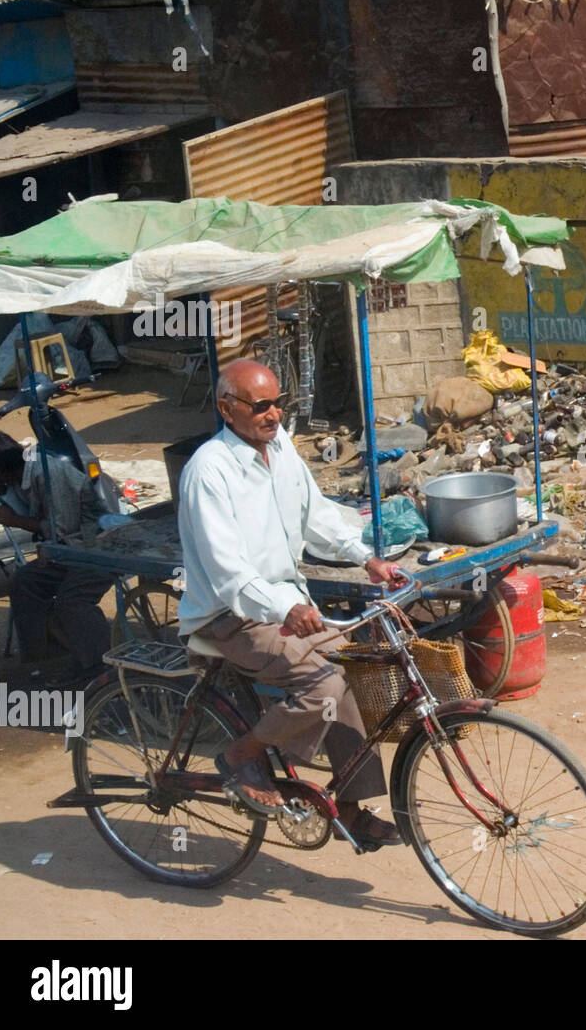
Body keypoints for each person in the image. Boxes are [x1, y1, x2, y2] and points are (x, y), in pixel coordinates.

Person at [177, 359, 407, 848]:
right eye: (261, 406)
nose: (275, 414)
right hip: (230, 613)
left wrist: (366, 559)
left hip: (285, 600)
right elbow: (229, 574)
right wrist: (284, 609)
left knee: (353, 669)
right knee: (322, 687)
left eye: (280, 402)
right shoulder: (208, 472)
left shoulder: (280, 448)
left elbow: (316, 515)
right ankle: (242, 753)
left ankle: (349, 806)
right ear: (226, 409)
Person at [0, 432, 114, 688]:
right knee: (24, 582)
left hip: (95, 547)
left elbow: (63, 529)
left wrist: (14, 520)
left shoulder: (47, 473)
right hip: (66, 549)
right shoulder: (17, 478)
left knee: (71, 601)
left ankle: (101, 666)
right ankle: (49, 660)